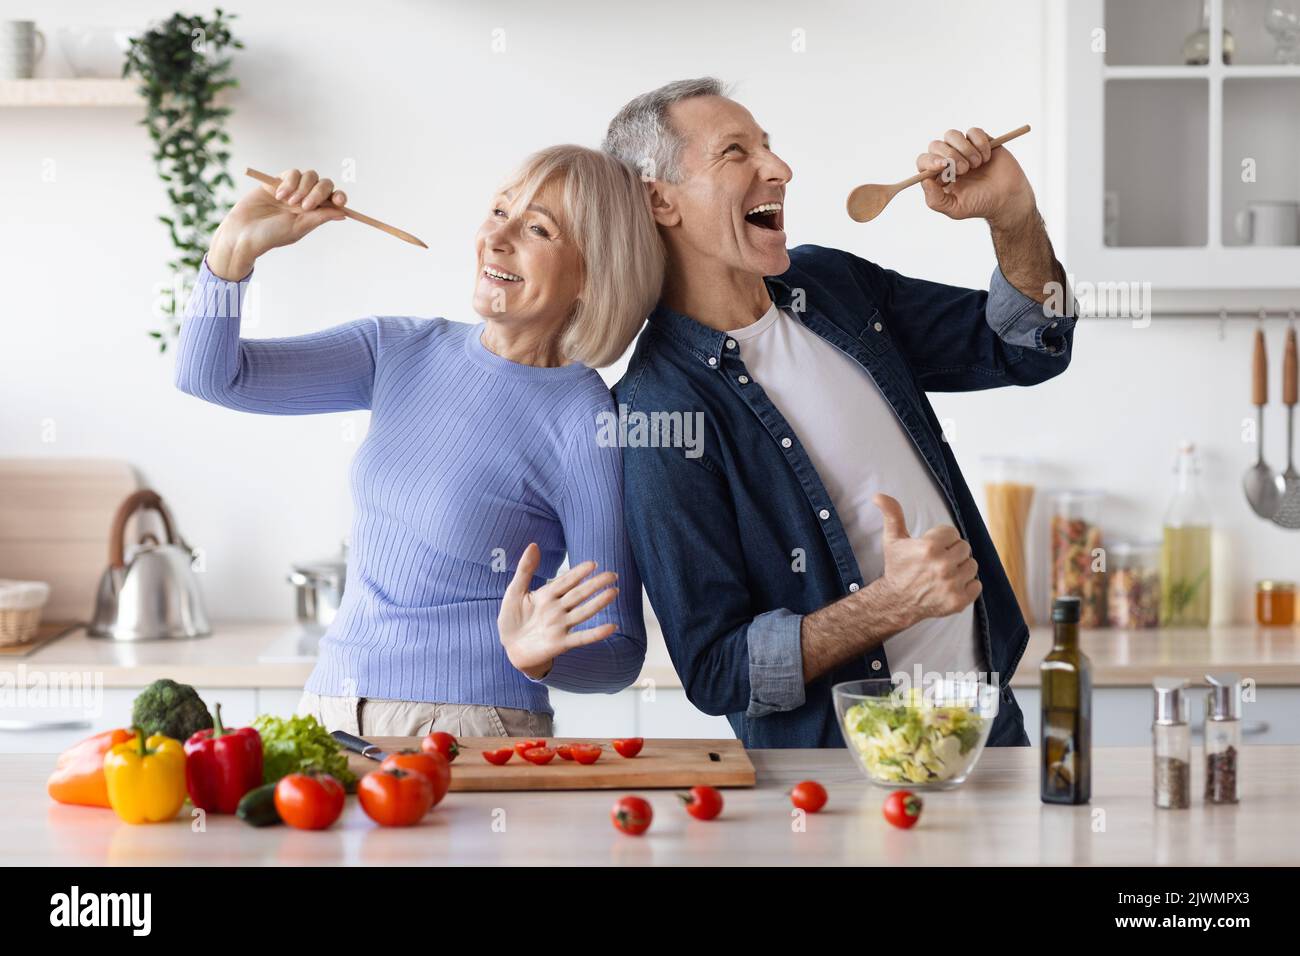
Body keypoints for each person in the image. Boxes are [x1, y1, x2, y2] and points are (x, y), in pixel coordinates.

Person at [604, 78, 1075, 748]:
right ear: (660, 199)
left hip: (986, 735)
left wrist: (1013, 217)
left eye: (768, 145)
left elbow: (1028, 345)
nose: (780, 169)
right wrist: (890, 604)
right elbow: (716, 670)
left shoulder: (830, 289)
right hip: (837, 776)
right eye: (736, 152)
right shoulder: (658, 410)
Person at [175, 145, 663, 738]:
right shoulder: (398, 349)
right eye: (499, 210)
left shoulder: (584, 419)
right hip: (329, 708)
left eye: (537, 229)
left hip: (467, 728)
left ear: (593, 272)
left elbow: (619, 652)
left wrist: (538, 654)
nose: (497, 237)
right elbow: (211, 377)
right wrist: (231, 251)